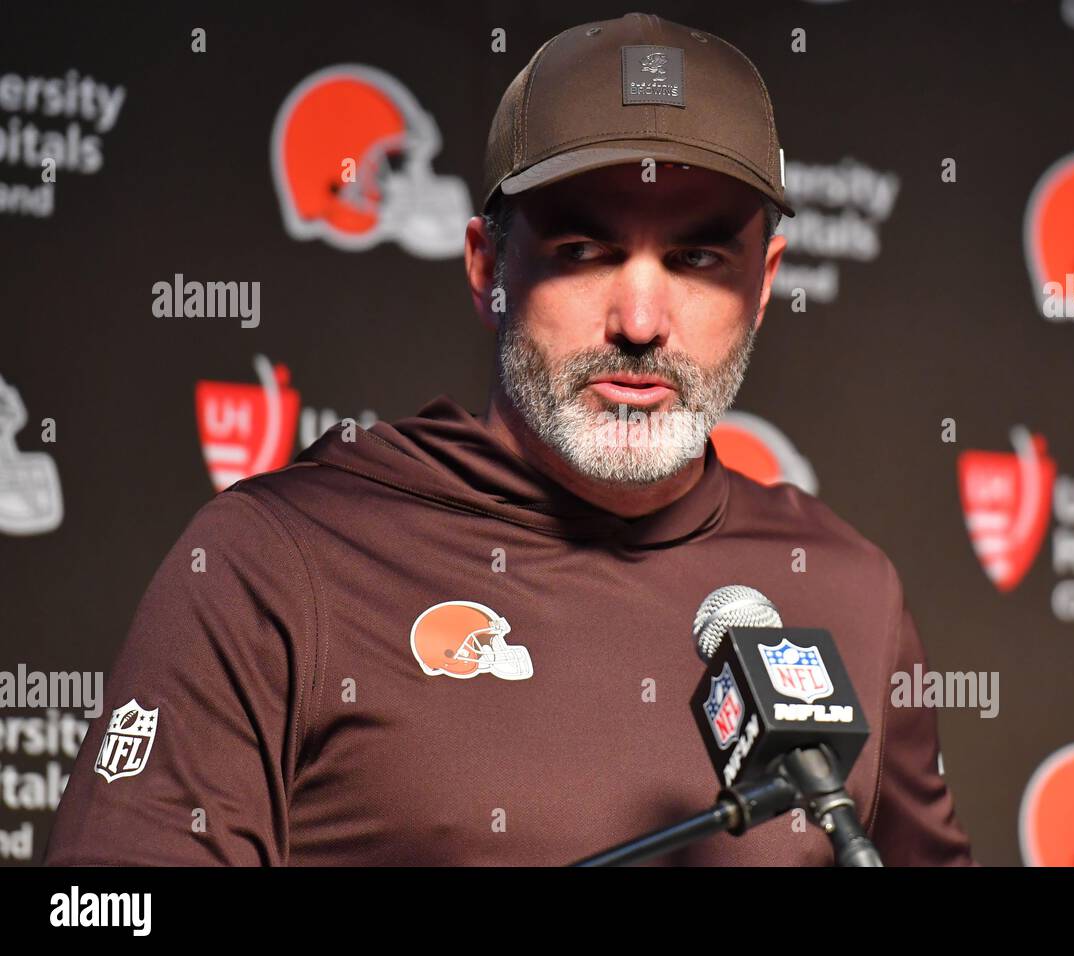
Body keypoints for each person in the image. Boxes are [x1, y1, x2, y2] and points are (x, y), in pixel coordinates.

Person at [46, 12, 973, 866]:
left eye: (696, 259)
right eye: (585, 252)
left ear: (764, 284)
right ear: (489, 266)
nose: (642, 320)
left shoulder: (849, 591)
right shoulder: (277, 563)